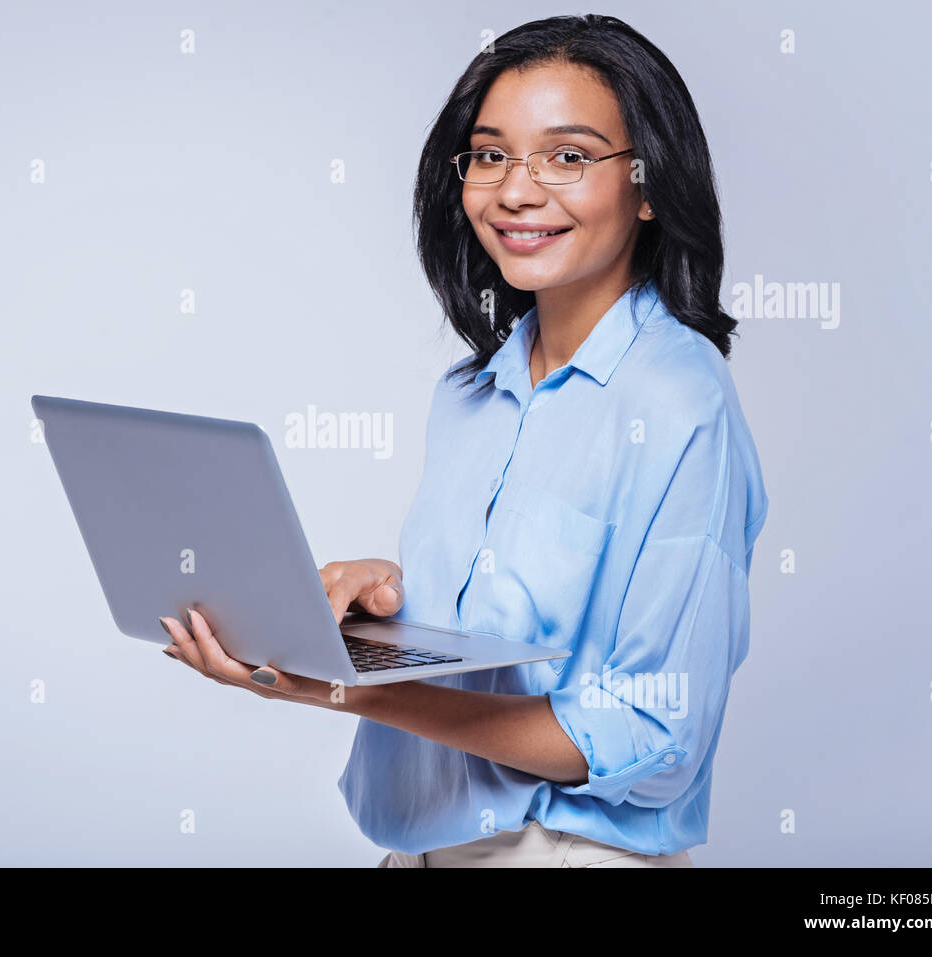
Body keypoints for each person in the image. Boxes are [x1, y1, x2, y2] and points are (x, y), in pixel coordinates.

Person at [157, 13, 768, 867]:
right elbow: (516, 637)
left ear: (647, 183)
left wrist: (345, 691)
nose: (517, 191)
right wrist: (388, 607)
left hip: (562, 853)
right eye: (490, 154)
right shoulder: (471, 393)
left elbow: (656, 733)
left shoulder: (678, 398)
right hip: (421, 852)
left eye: (568, 156)